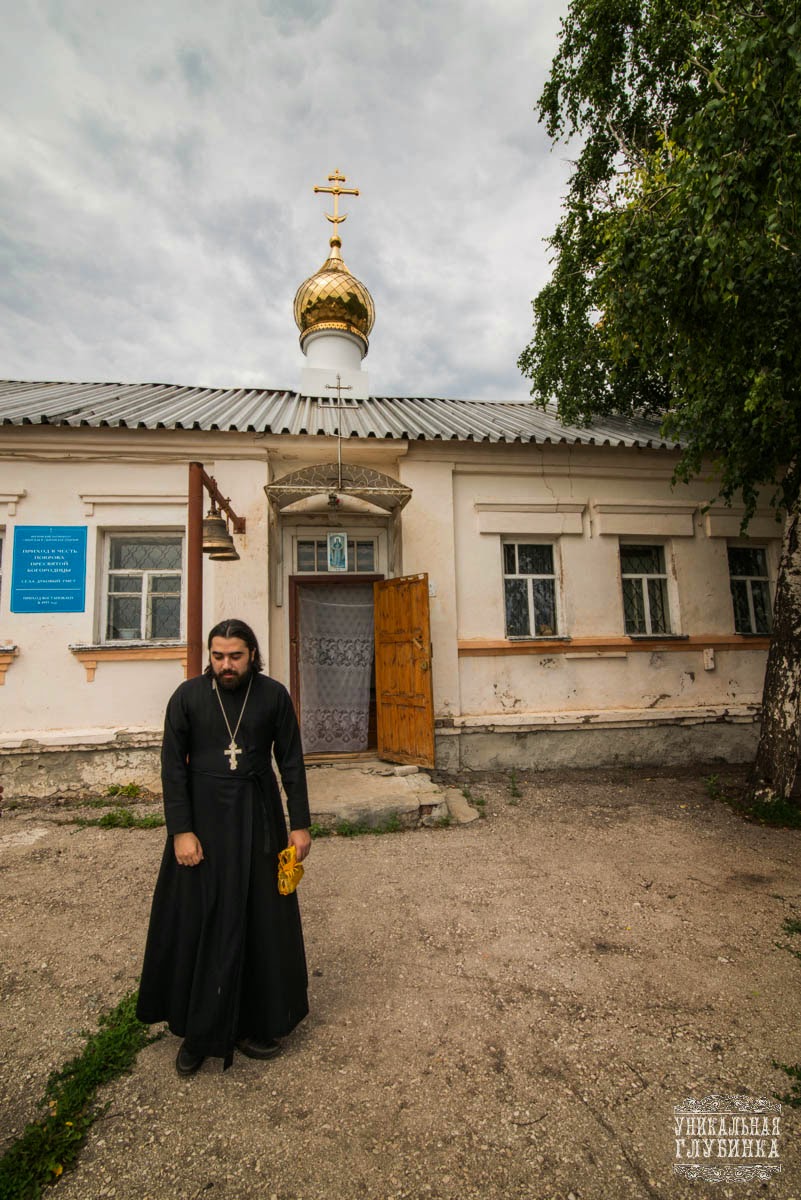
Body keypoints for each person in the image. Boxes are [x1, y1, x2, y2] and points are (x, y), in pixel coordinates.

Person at [136, 618, 311, 1076]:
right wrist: (181, 831)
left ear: (252, 653)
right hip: (204, 823)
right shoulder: (188, 697)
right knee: (200, 919)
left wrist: (301, 825)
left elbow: (290, 762)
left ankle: (255, 1022)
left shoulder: (273, 695)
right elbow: (172, 767)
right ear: (209, 656)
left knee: (258, 919)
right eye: (218, 656)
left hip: (259, 817)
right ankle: (198, 1030)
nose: (226, 665)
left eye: (235, 656)